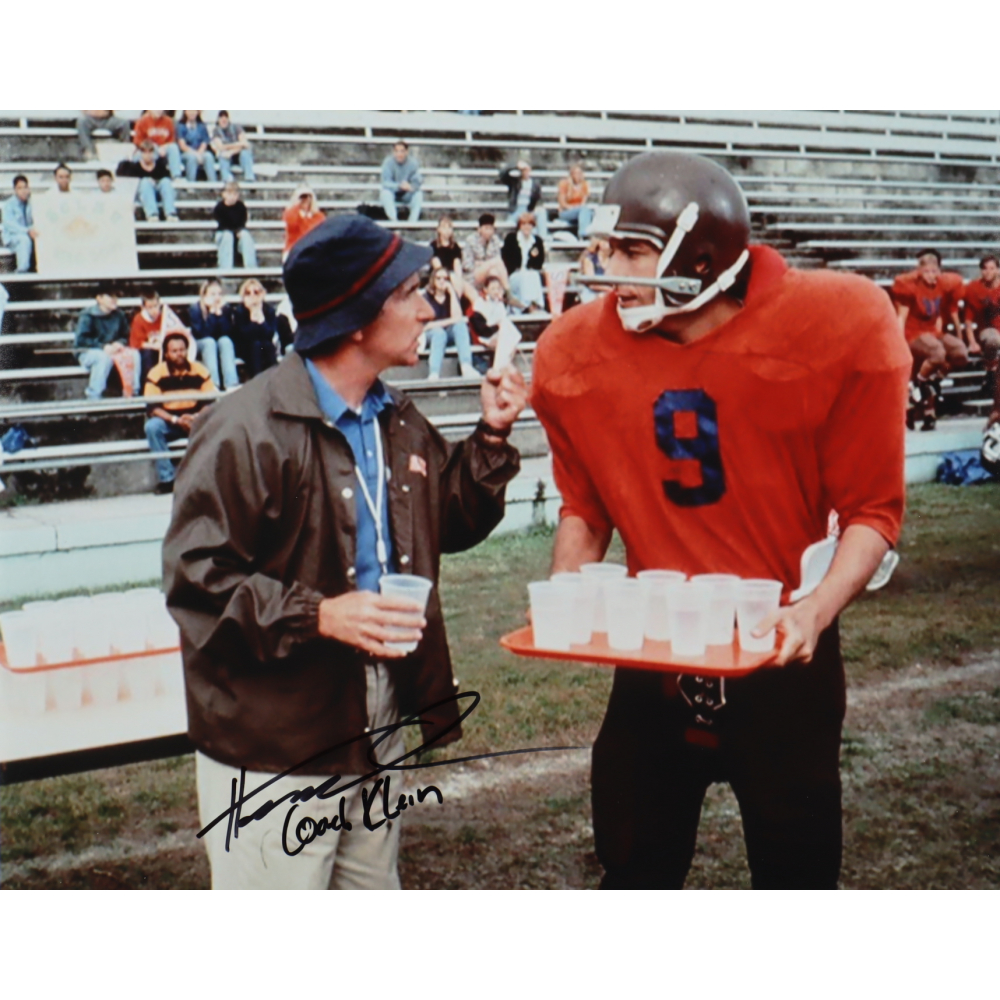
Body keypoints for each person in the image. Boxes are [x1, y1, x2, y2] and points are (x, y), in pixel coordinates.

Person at [531, 150, 910, 890]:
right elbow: (586, 505)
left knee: (795, 882)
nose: (608, 268)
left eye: (632, 251)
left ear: (701, 263)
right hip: (656, 659)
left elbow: (873, 513)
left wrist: (815, 610)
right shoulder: (574, 349)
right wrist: (565, 596)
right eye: (606, 246)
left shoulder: (833, 321)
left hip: (779, 662)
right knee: (633, 871)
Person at [162, 213, 527, 890]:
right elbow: (196, 580)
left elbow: (445, 519)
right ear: (358, 316)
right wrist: (320, 616)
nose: (427, 307)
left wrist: (492, 436)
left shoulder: (396, 417)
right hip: (276, 731)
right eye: (409, 292)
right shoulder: (245, 429)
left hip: (375, 708)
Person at [892, 249, 967, 431]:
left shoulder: (945, 284)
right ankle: (921, 389)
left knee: (960, 353)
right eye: (927, 272)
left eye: (935, 271)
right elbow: (901, 316)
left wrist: (954, 332)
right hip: (914, 334)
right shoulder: (910, 286)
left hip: (932, 332)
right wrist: (898, 342)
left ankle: (928, 384)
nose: (931, 276)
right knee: (937, 353)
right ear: (919, 272)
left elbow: (944, 309)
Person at [144, 332, 216, 494]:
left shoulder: (200, 370)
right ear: (167, 353)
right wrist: (176, 420)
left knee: (217, 422)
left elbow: (210, 402)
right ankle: (167, 479)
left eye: (182, 350)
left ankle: (208, 478)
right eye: (174, 351)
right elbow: (153, 407)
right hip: (171, 422)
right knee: (152, 427)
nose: (179, 354)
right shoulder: (156, 373)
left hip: (197, 420)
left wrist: (196, 418)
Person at [74, 283, 135, 399]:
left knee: (133, 354)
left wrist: (119, 343)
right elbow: (82, 340)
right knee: (103, 358)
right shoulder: (87, 315)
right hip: (88, 352)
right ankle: (94, 396)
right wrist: (103, 347)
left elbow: (126, 335)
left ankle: (132, 391)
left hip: (113, 350)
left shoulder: (119, 315)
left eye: (116, 296)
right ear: (99, 298)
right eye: (110, 296)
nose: (114, 300)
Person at [423, 266, 477, 380]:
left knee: (461, 326)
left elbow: (457, 318)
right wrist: (449, 321)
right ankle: (434, 372)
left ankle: (466, 366)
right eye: (439, 278)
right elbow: (426, 325)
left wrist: (452, 292)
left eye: (445, 278)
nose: (442, 281)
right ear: (433, 280)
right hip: (431, 334)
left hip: (449, 333)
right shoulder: (426, 297)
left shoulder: (450, 296)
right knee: (439, 333)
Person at [189, 278, 240, 391]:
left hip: (218, 342)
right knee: (209, 342)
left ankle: (231, 383)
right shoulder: (195, 309)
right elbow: (203, 333)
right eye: (212, 294)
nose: (217, 297)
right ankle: (212, 384)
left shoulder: (225, 308)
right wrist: (212, 314)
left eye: (219, 294)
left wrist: (220, 315)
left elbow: (227, 332)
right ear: (204, 295)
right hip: (201, 343)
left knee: (225, 341)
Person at [229, 278, 280, 378]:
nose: (252, 296)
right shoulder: (239, 312)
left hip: (264, 345)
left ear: (262, 295)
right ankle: (257, 379)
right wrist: (252, 320)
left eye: (256, 292)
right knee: (256, 345)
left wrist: (261, 320)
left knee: (267, 345)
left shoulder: (269, 310)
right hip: (245, 348)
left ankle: (275, 379)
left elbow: (270, 334)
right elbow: (244, 335)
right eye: (248, 293)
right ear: (243, 296)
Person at [116, 141, 179, 222]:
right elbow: (120, 173)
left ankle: (171, 213)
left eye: (150, 152)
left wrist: (155, 182)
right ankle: (152, 214)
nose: (148, 155)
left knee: (166, 182)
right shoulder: (135, 167)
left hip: (158, 193)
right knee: (145, 182)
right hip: (143, 195)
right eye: (145, 152)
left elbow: (166, 177)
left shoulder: (159, 165)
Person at [501, 212, 546, 312]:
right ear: (519, 226)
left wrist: (532, 257)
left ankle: (535, 306)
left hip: (530, 275)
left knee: (533, 275)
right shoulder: (511, 239)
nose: (526, 227)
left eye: (529, 224)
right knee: (525, 276)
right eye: (523, 224)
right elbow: (506, 260)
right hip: (514, 275)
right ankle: (527, 306)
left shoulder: (537, 241)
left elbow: (539, 264)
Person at [462, 213, 511, 295]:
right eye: (486, 228)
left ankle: (499, 299)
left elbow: (498, 265)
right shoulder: (471, 240)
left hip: (489, 273)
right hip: (472, 276)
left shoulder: (495, 240)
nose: (488, 231)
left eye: (491, 229)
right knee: (496, 262)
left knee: (494, 272)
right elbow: (466, 265)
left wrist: (483, 264)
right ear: (479, 229)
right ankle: (508, 291)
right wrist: (485, 265)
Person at [213, 182, 258, 270]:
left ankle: (251, 267)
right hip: (223, 233)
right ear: (224, 194)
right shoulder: (219, 208)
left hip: (237, 232)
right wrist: (235, 231)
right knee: (227, 236)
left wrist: (239, 230)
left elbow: (242, 222)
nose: (232, 197)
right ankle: (225, 267)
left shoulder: (241, 207)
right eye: (229, 194)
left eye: (235, 194)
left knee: (245, 235)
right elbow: (222, 224)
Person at [499, 159, 548, 239]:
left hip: (529, 210)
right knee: (509, 227)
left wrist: (532, 211)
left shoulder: (535, 184)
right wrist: (515, 165)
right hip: (517, 210)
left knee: (541, 212)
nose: (525, 172)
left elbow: (539, 200)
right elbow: (502, 174)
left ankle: (543, 240)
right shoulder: (514, 182)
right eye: (523, 170)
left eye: (526, 169)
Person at [379, 140, 423, 223]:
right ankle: (394, 222)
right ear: (393, 152)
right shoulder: (388, 162)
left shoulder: (413, 163)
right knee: (385, 194)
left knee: (418, 195)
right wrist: (399, 186)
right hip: (393, 193)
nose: (399, 154)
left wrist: (411, 187)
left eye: (402, 151)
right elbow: (385, 183)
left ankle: (412, 223)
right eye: (397, 151)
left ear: (406, 152)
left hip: (407, 193)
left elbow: (418, 181)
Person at [133, 111, 183, 179]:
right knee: (136, 157)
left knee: (174, 147)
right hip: (149, 149)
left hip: (164, 148)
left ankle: (176, 176)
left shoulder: (168, 121)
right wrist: (153, 147)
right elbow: (137, 141)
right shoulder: (142, 121)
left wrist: (165, 147)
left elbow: (172, 140)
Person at [2, 175, 36, 273]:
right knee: (23, 240)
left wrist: (32, 230)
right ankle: (22, 270)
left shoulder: (31, 203)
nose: (23, 191)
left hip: (29, 234)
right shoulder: (9, 205)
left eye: (25, 187)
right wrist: (27, 231)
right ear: (15, 190)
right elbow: (9, 225)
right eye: (19, 188)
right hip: (13, 236)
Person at [211, 111, 256, 183]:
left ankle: (249, 178)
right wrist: (238, 144)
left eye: (225, 118)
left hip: (238, 154)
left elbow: (245, 143)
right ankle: (227, 179)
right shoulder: (216, 131)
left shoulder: (236, 127)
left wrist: (231, 152)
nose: (223, 120)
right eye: (221, 118)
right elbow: (221, 147)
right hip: (227, 155)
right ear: (218, 120)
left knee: (245, 153)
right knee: (223, 156)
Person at [283, 184, 326, 258]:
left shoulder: (319, 216)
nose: (305, 199)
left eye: (307, 196)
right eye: (302, 196)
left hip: (312, 250)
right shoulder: (291, 213)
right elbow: (292, 225)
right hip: (294, 250)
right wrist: (297, 205)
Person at [176, 111, 219, 183]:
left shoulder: (201, 126)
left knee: (208, 156)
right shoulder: (181, 126)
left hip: (200, 151)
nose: (192, 113)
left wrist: (199, 153)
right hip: (186, 153)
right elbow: (182, 145)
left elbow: (204, 142)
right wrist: (196, 154)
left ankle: (213, 184)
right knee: (192, 158)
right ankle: (191, 186)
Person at [556, 163, 594, 241]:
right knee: (583, 210)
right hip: (566, 212)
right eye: (576, 173)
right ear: (571, 174)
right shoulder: (564, 184)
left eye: (580, 173)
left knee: (589, 212)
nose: (578, 175)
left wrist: (578, 208)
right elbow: (562, 203)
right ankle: (583, 234)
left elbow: (583, 202)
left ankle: (588, 235)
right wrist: (573, 208)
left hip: (579, 211)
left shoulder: (585, 185)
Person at [578, 236, 611, 304]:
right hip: (591, 291)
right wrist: (609, 289)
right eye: (605, 241)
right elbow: (592, 284)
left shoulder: (613, 258)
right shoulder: (590, 258)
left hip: (609, 291)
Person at [429, 215, 463, 279]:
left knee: (457, 262)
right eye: (444, 227)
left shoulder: (455, 247)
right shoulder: (433, 245)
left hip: (453, 277)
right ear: (439, 229)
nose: (447, 230)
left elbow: (457, 265)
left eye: (449, 227)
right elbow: (435, 264)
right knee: (436, 260)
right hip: (437, 277)